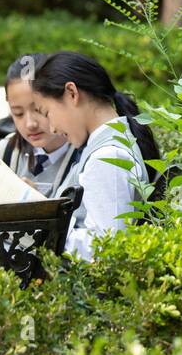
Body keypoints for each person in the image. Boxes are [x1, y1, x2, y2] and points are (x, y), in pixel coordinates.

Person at [29, 51, 163, 260]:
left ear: (71, 93)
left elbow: (107, 249)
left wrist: (37, 226)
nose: (52, 128)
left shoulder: (109, 157)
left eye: (47, 113)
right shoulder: (104, 148)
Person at [0, 53, 81, 197]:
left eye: (39, 110)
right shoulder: (5, 153)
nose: (30, 124)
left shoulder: (84, 156)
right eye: (18, 113)